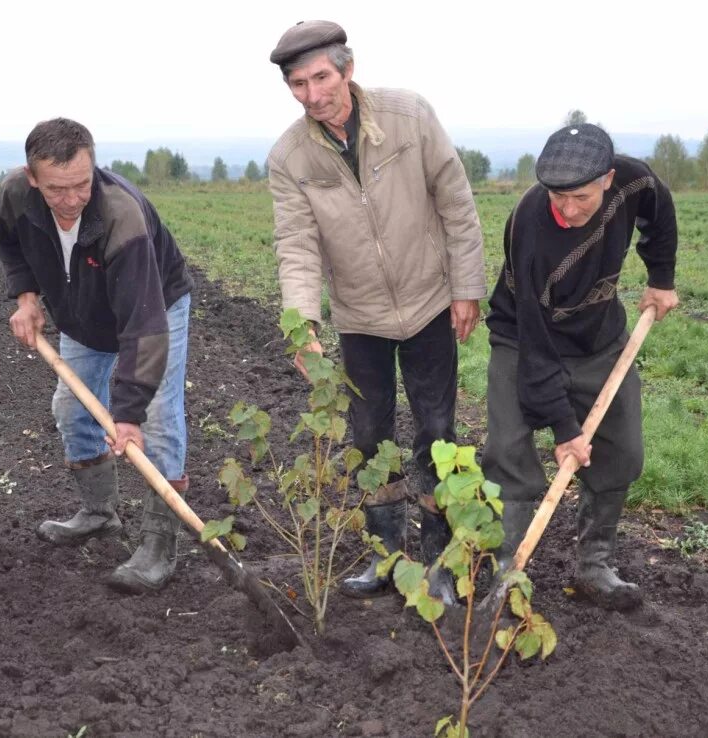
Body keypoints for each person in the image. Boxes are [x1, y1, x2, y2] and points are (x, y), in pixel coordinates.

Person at [266, 21, 486, 603]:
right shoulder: (289, 156)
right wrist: (301, 324)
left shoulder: (410, 117)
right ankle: (386, 557)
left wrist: (467, 287)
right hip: (359, 316)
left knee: (437, 432)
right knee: (367, 437)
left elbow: (457, 204)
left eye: (320, 78)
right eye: (297, 84)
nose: (313, 95)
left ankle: (441, 560)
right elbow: (296, 244)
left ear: (348, 69)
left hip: (429, 303)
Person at [0, 118, 195, 594]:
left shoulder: (122, 215)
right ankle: (100, 514)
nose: (72, 199)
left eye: (82, 184)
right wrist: (25, 296)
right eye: (58, 189)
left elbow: (143, 327)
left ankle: (159, 545)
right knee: (71, 407)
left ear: (93, 168)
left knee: (159, 420)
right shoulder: (16, 196)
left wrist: (127, 415)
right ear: (32, 177)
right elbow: (7, 241)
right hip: (81, 312)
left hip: (154, 308)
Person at [483, 123, 679, 610]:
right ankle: (506, 572)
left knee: (622, 452)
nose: (568, 209)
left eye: (581, 197)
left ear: (609, 178)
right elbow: (536, 344)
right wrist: (566, 428)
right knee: (508, 452)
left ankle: (594, 567)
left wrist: (661, 276)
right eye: (558, 196)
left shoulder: (634, 180)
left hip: (600, 340)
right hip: (524, 339)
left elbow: (659, 208)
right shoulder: (528, 225)